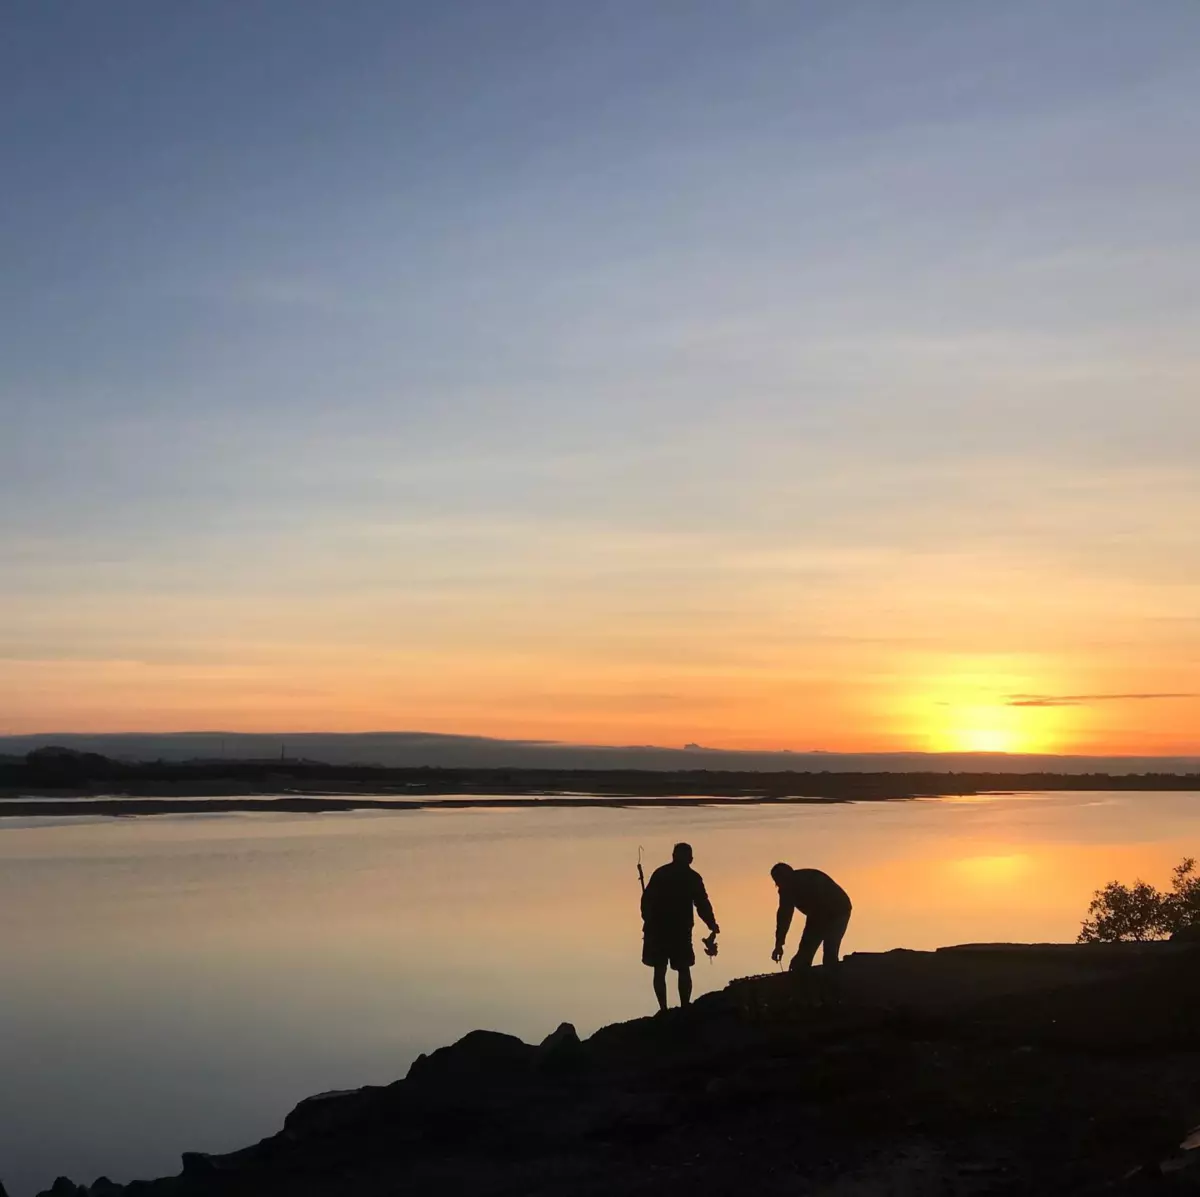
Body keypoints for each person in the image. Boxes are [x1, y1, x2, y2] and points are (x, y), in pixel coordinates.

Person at [641, 842, 719, 1013]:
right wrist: (712, 924)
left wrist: (648, 920)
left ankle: (664, 1009)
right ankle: (684, 1006)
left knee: (660, 969)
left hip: (659, 929)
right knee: (682, 968)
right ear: (690, 859)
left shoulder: (660, 873)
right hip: (678, 931)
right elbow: (702, 904)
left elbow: (646, 901)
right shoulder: (692, 877)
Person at [770, 863, 852, 972]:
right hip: (817, 915)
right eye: (778, 883)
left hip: (839, 910)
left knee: (829, 950)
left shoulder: (808, 879)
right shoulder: (785, 891)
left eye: (781, 881)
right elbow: (784, 917)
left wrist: (805, 948)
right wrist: (779, 944)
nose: (781, 886)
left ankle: (833, 980)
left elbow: (820, 912)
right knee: (802, 958)